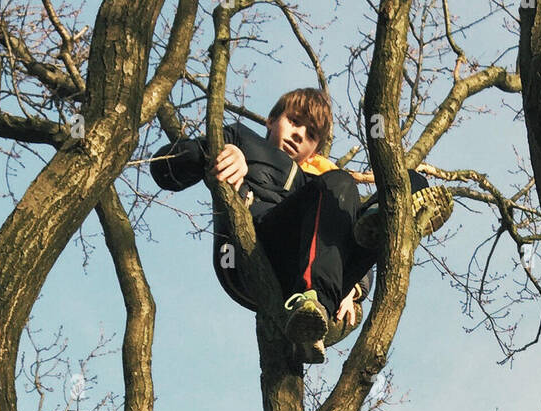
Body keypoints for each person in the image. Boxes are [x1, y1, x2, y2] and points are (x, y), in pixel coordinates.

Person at [148, 87, 452, 362]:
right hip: (252, 252)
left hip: (303, 273)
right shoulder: (241, 138)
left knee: (410, 181)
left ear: (315, 149)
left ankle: (382, 229)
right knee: (338, 183)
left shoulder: (314, 184)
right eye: (294, 122)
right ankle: (315, 299)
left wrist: (356, 289)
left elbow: (341, 235)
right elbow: (165, 168)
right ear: (270, 120)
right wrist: (224, 153)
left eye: (309, 135)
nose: (298, 135)